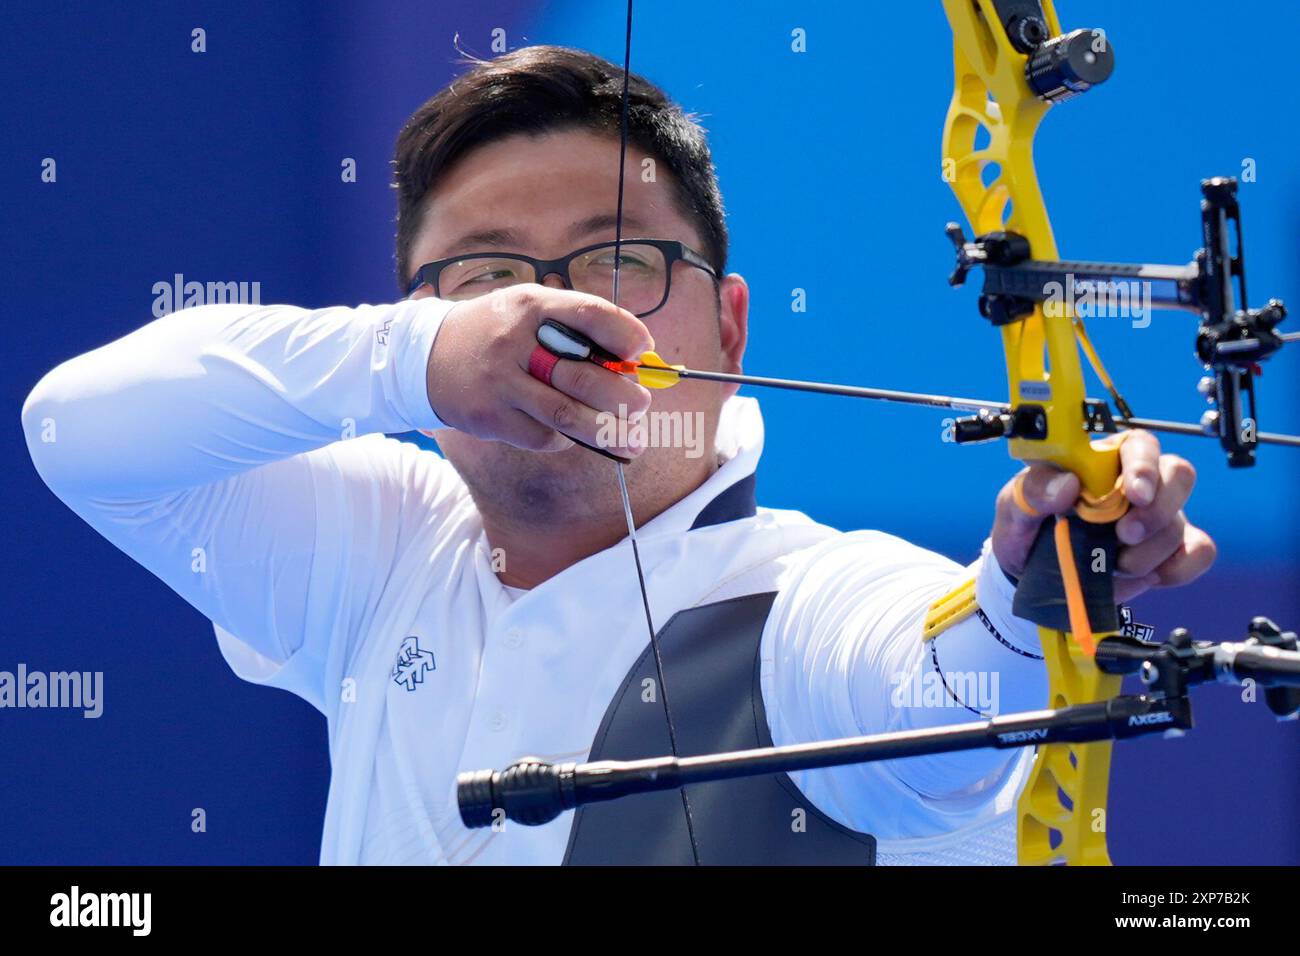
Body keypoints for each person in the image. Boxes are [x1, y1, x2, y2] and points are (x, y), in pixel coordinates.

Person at [21, 46, 1213, 865]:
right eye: (490, 278)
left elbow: (925, 673)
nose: (558, 322)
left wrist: (1021, 595)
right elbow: (76, 427)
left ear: (730, 329)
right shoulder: (388, 551)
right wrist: (409, 360)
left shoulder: (802, 599)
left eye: (617, 261)